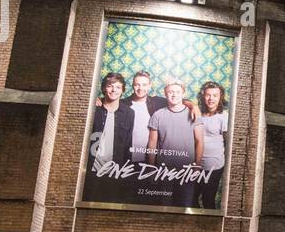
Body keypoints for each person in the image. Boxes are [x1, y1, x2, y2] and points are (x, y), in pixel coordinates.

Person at [146, 80, 205, 207]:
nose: (174, 95)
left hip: (187, 170)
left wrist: (197, 166)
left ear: (183, 94)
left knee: (185, 205)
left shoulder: (193, 113)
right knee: (164, 206)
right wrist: (151, 168)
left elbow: (199, 141)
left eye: (178, 92)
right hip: (165, 171)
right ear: (165, 94)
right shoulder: (158, 115)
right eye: (170, 92)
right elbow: (152, 144)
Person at [87, 72, 135, 201]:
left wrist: (125, 172)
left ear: (123, 90)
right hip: (91, 169)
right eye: (110, 86)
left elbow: (128, 144)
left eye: (118, 87)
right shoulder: (94, 108)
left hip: (115, 171)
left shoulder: (129, 113)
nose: (114, 90)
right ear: (104, 88)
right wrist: (90, 100)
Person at [195, 81, 229, 210]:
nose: (211, 99)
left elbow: (227, 142)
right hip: (196, 164)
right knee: (191, 198)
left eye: (215, 95)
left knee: (208, 199)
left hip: (214, 166)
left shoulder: (223, 116)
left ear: (220, 97)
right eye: (208, 95)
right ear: (203, 96)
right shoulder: (198, 114)